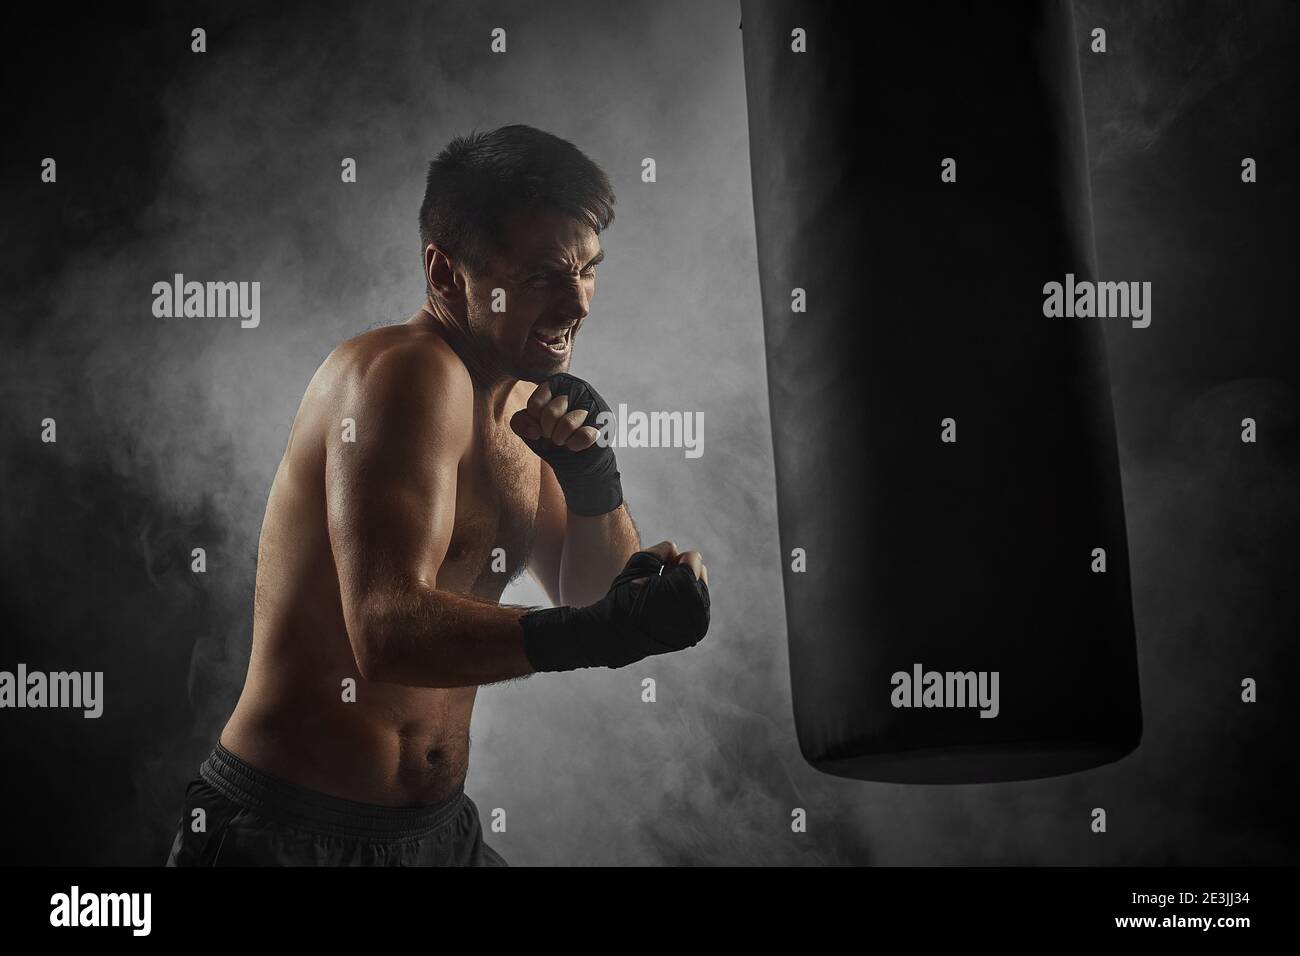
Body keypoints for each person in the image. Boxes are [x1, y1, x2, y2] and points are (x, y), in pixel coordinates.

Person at [165, 124, 711, 867]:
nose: (579, 303)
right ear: (447, 273)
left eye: (589, 271)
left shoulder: (519, 396)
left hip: (436, 836)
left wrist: (593, 484)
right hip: (290, 836)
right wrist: (604, 634)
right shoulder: (403, 374)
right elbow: (387, 630)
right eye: (544, 277)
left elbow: (591, 592)